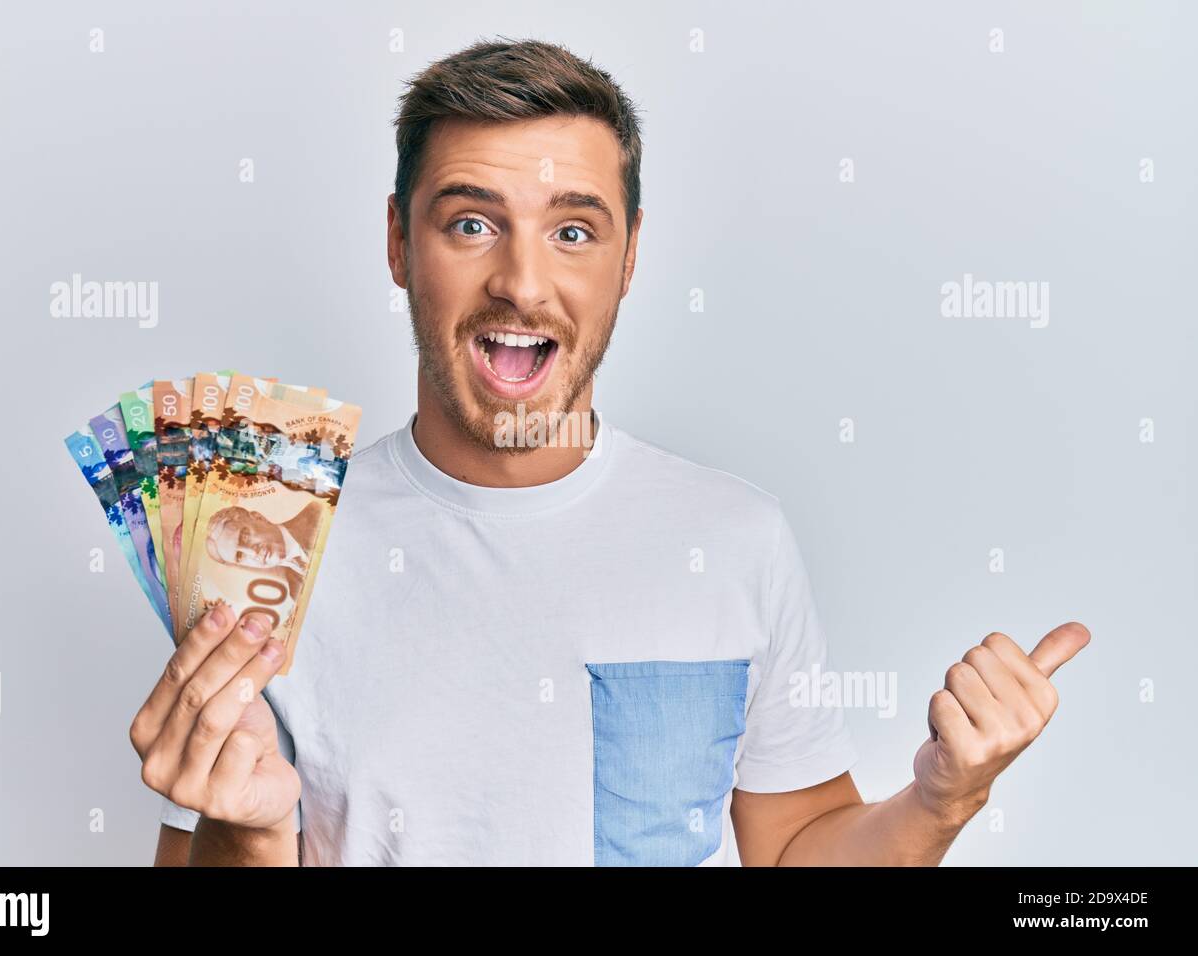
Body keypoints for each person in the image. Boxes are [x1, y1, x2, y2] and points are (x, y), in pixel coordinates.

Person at [129, 38, 1089, 866]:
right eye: (471, 223)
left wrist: (941, 800)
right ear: (396, 242)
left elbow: (797, 847)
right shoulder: (275, 545)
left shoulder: (734, 538)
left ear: (629, 258)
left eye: (574, 231)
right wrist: (250, 840)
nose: (522, 282)